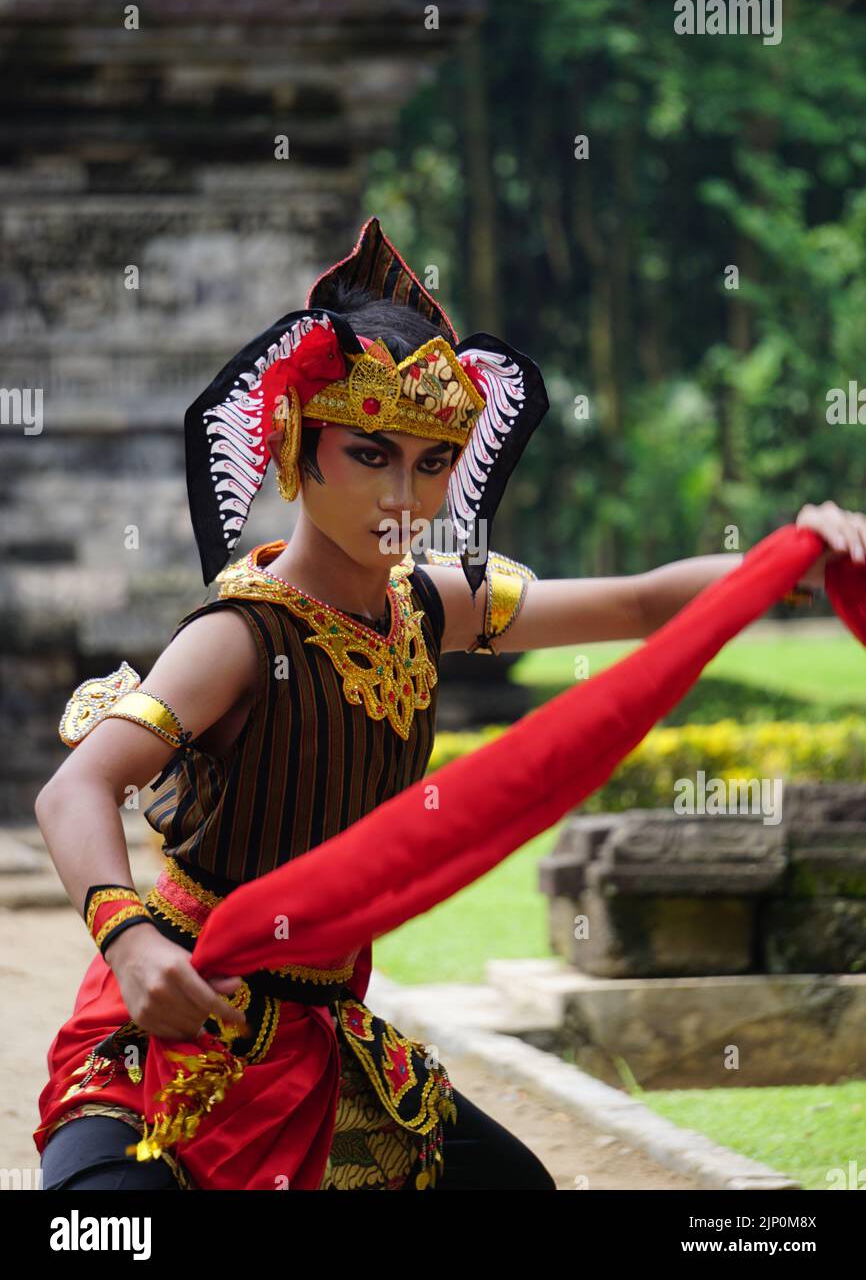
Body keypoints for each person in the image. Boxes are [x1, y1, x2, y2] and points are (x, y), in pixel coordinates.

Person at [32, 216, 866, 1191]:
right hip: (172, 1027)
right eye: (371, 456)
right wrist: (128, 941)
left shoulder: (432, 603)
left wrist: (795, 554)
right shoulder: (239, 637)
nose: (405, 497)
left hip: (320, 1037)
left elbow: (638, 601)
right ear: (299, 446)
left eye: (430, 464)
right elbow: (74, 790)